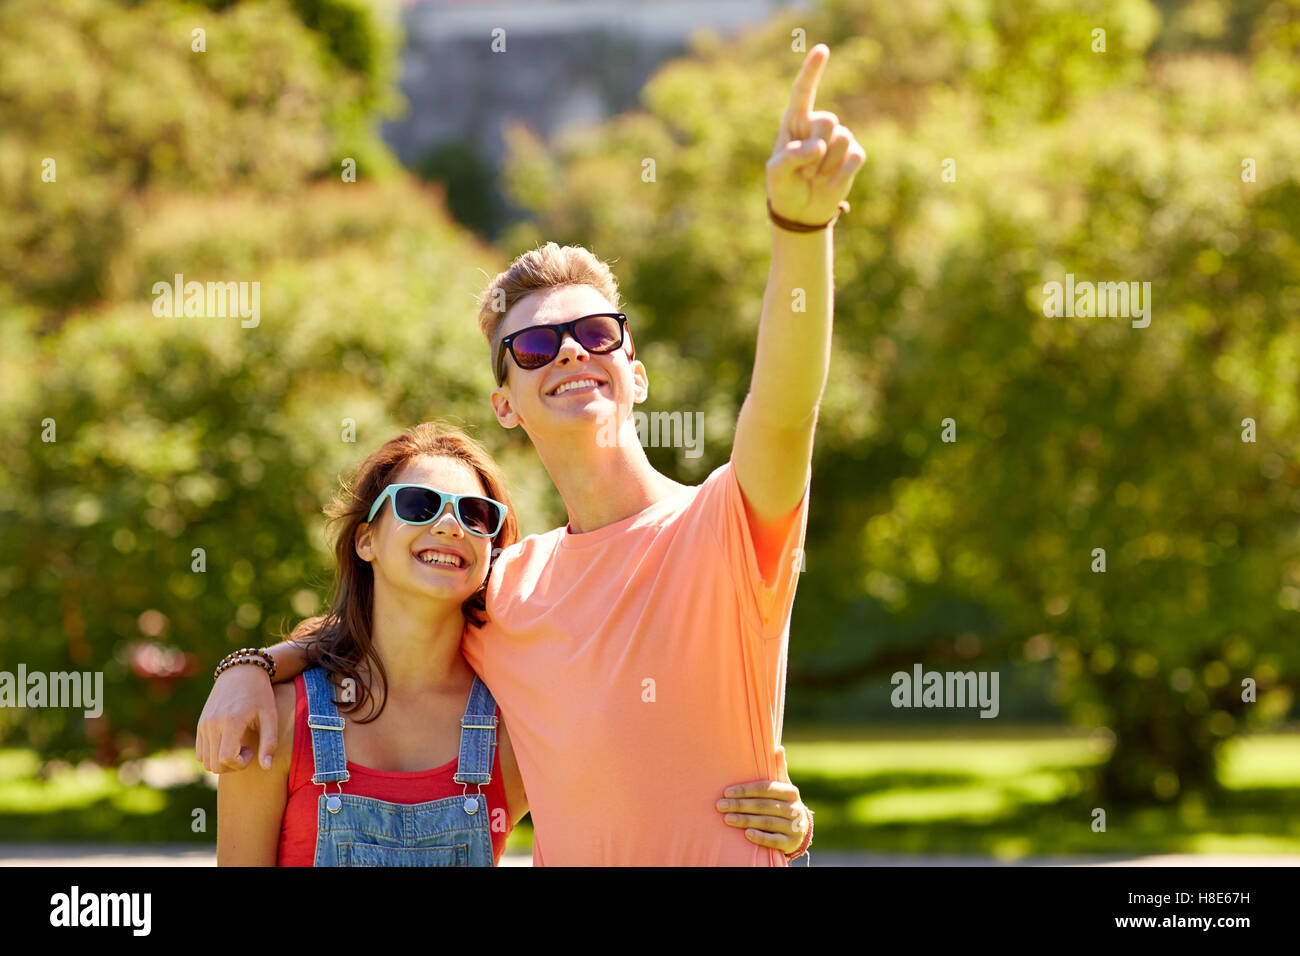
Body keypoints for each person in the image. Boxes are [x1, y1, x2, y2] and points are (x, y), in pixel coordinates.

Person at [200, 44, 863, 865]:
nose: (573, 354)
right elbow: (382, 629)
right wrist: (251, 666)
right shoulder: (504, 584)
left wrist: (801, 228)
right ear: (505, 404)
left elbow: (787, 406)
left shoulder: (729, 523)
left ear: (636, 373)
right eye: (538, 344)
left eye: (595, 334)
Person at [215, 423, 809, 866]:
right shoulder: (272, 721)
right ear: (366, 540)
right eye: (420, 505)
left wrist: (782, 824)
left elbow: (640, 770)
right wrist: (248, 667)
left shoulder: (512, 722)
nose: (450, 525)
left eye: (477, 515)